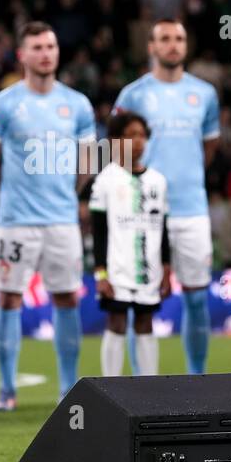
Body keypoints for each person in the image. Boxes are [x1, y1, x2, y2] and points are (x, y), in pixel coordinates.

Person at [0, 21, 95, 410]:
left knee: (66, 298)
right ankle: (7, 391)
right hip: (16, 221)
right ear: (22, 55)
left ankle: (67, 390)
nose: (46, 53)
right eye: (37, 47)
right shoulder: (2, 105)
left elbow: (86, 165)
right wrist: (9, 198)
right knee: (9, 299)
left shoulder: (78, 104)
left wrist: (65, 194)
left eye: (51, 46)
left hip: (62, 220)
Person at [113, 20, 220, 374]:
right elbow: (118, 151)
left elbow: (207, 148)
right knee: (141, 301)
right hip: (144, 211)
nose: (173, 45)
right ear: (151, 47)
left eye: (179, 39)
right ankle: (140, 386)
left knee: (197, 295)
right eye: (164, 39)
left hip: (191, 208)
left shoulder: (204, 93)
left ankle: (198, 377)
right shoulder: (133, 94)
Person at [89, 111, 171, 377]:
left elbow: (164, 229)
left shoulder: (158, 181)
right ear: (115, 140)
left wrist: (167, 268)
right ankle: (110, 389)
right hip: (117, 269)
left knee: (146, 322)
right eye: (131, 135)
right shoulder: (105, 180)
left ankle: (150, 389)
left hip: (150, 270)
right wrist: (100, 272)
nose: (138, 141)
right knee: (116, 321)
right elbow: (98, 231)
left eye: (142, 135)